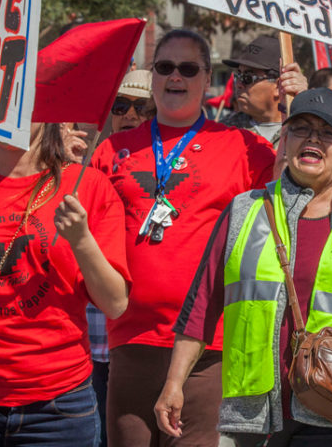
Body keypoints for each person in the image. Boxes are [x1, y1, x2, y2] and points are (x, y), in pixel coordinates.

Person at [155, 87, 332, 446]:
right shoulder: (243, 210)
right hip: (254, 411)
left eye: (327, 133)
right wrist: (173, 384)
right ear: (284, 140)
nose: (313, 139)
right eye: (302, 129)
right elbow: (201, 305)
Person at [91, 29, 277, 447]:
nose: (175, 77)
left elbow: (292, 195)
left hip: (208, 345)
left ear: (207, 78)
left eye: (188, 68)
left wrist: (289, 109)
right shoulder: (113, 149)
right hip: (132, 339)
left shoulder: (241, 146)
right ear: (152, 75)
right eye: (165, 67)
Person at [0, 122, 131, 446]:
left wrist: (81, 239)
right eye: (1, 99)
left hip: (61, 403)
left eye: (25, 101)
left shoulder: (88, 186)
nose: (10, 113)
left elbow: (115, 304)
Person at [219, 35, 308, 148]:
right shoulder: (224, 130)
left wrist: (307, 101)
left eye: (248, 77)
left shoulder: (307, 130)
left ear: (278, 85)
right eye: (238, 75)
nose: (238, 84)